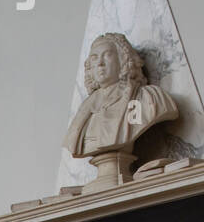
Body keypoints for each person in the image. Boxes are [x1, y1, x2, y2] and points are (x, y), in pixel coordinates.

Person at [64, 32, 177, 164]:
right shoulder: (84, 109)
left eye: (107, 55)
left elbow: (137, 119)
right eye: (94, 58)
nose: (100, 63)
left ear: (123, 60)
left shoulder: (147, 98)